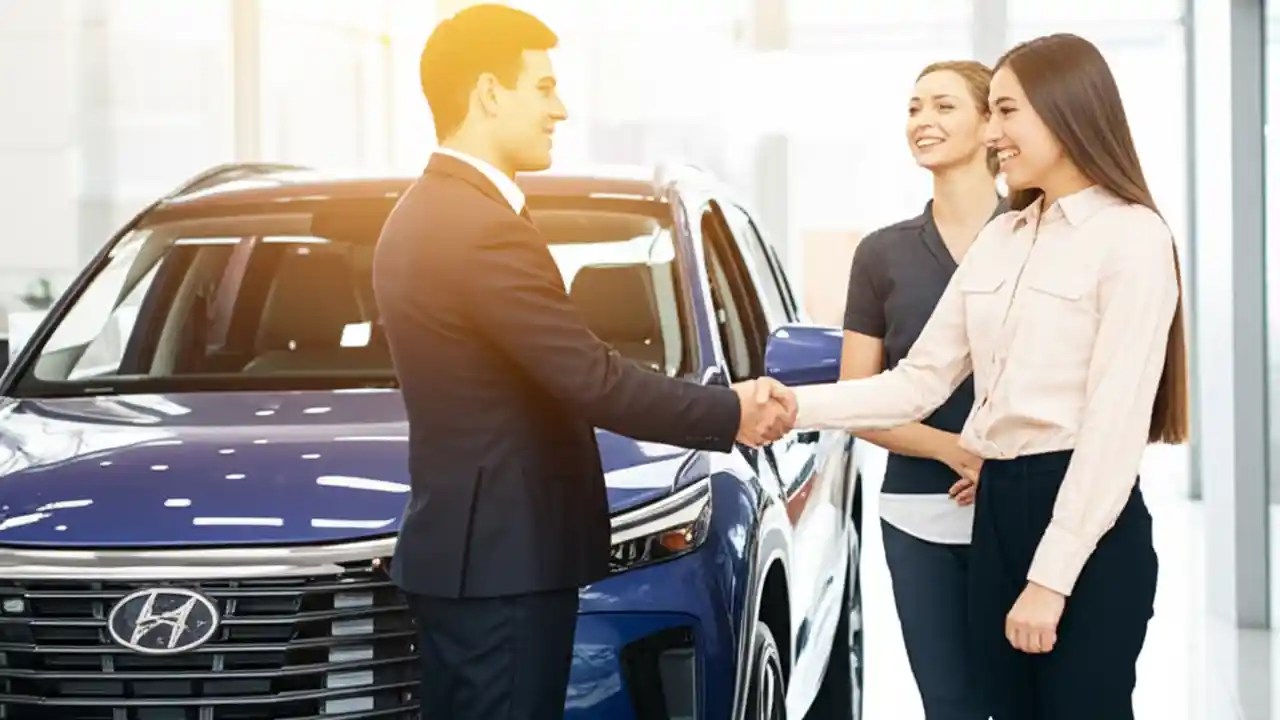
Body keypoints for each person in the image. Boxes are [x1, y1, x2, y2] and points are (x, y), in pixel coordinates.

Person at [371, 6, 795, 719]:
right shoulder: (478, 227)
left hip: (480, 555)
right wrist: (734, 411)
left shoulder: (432, 210)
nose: (559, 109)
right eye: (542, 88)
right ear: (487, 93)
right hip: (504, 561)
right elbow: (588, 378)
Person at [787, 33, 1188, 719]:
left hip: (1084, 516)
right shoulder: (1005, 238)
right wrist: (785, 405)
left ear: (1066, 111)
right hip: (997, 507)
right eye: (993, 113)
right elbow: (917, 381)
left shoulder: (1130, 236)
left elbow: (1113, 430)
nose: (993, 134)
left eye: (1006, 113)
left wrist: (1050, 581)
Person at [839, 59, 1003, 720]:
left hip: (1031, 509)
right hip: (917, 514)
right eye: (913, 108)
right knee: (951, 706)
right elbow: (858, 398)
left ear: (992, 124)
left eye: (942, 106)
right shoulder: (882, 254)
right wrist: (951, 450)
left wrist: (1001, 458)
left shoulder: (1041, 236)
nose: (922, 122)